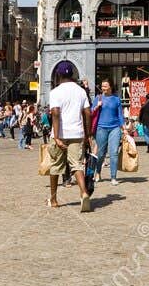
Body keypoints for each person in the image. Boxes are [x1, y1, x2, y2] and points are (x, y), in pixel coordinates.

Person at [46, 61, 92, 212]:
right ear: (72, 74)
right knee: (77, 165)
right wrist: (87, 134)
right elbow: (88, 113)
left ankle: (53, 199)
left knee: (56, 166)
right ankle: (84, 192)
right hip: (77, 133)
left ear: (58, 75)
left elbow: (55, 113)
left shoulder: (55, 92)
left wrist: (57, 137)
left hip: (60, 133)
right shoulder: (81, 91)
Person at [92, 80, 126, 185]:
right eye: (102, 86)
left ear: (110, 87)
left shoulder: (116, 99)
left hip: (115, 128)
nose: (103, 88)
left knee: (114, 152)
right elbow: (91, 111)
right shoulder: (98, 98)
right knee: (101, 153)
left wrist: (124, 128)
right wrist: (97, 106)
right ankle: (98, 172)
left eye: (105, 86)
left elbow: (120, 115)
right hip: (101, 128)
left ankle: (113, 177)